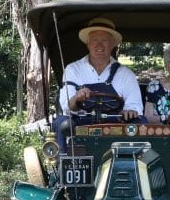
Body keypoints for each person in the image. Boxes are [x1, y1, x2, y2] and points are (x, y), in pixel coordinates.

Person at [55, 17, 143, 148]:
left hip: (116, 126)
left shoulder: (125, 74)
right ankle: (64, 164)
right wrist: (77, 98)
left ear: (113, 44)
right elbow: (67, 107)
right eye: (95, 40)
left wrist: (129, 111)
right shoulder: (73, 69)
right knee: (62, 123)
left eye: (104, 40)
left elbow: (135, 105)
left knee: (142, 122)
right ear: (88, 43)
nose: (99, 45)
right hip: (80, 123)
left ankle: (135, 164)